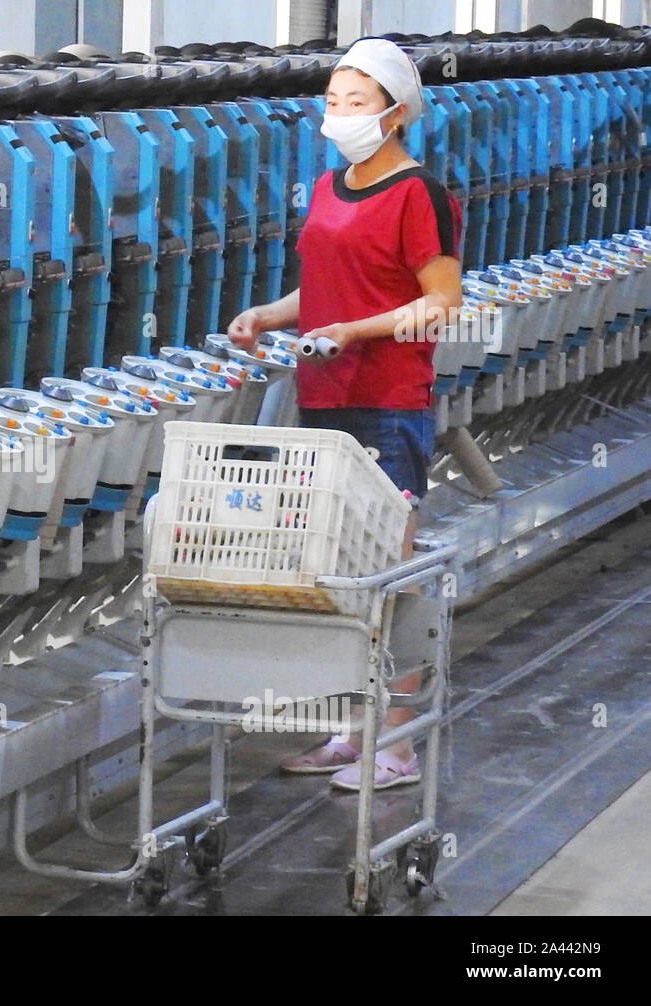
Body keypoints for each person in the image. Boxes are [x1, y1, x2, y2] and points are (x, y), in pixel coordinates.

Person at [227, 37, 463, 791]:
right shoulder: (331, 186)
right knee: (341, 572)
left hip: (387, 400)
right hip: (323, 395)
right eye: (332, 100)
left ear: (395, 113)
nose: (338, 114)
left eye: (354, 102)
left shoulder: (420, 193)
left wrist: (353, 333)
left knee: (391, 573)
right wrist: (269, 314)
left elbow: (442, 304)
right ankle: (350, 730)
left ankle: (394, 744)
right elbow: (327, 289)